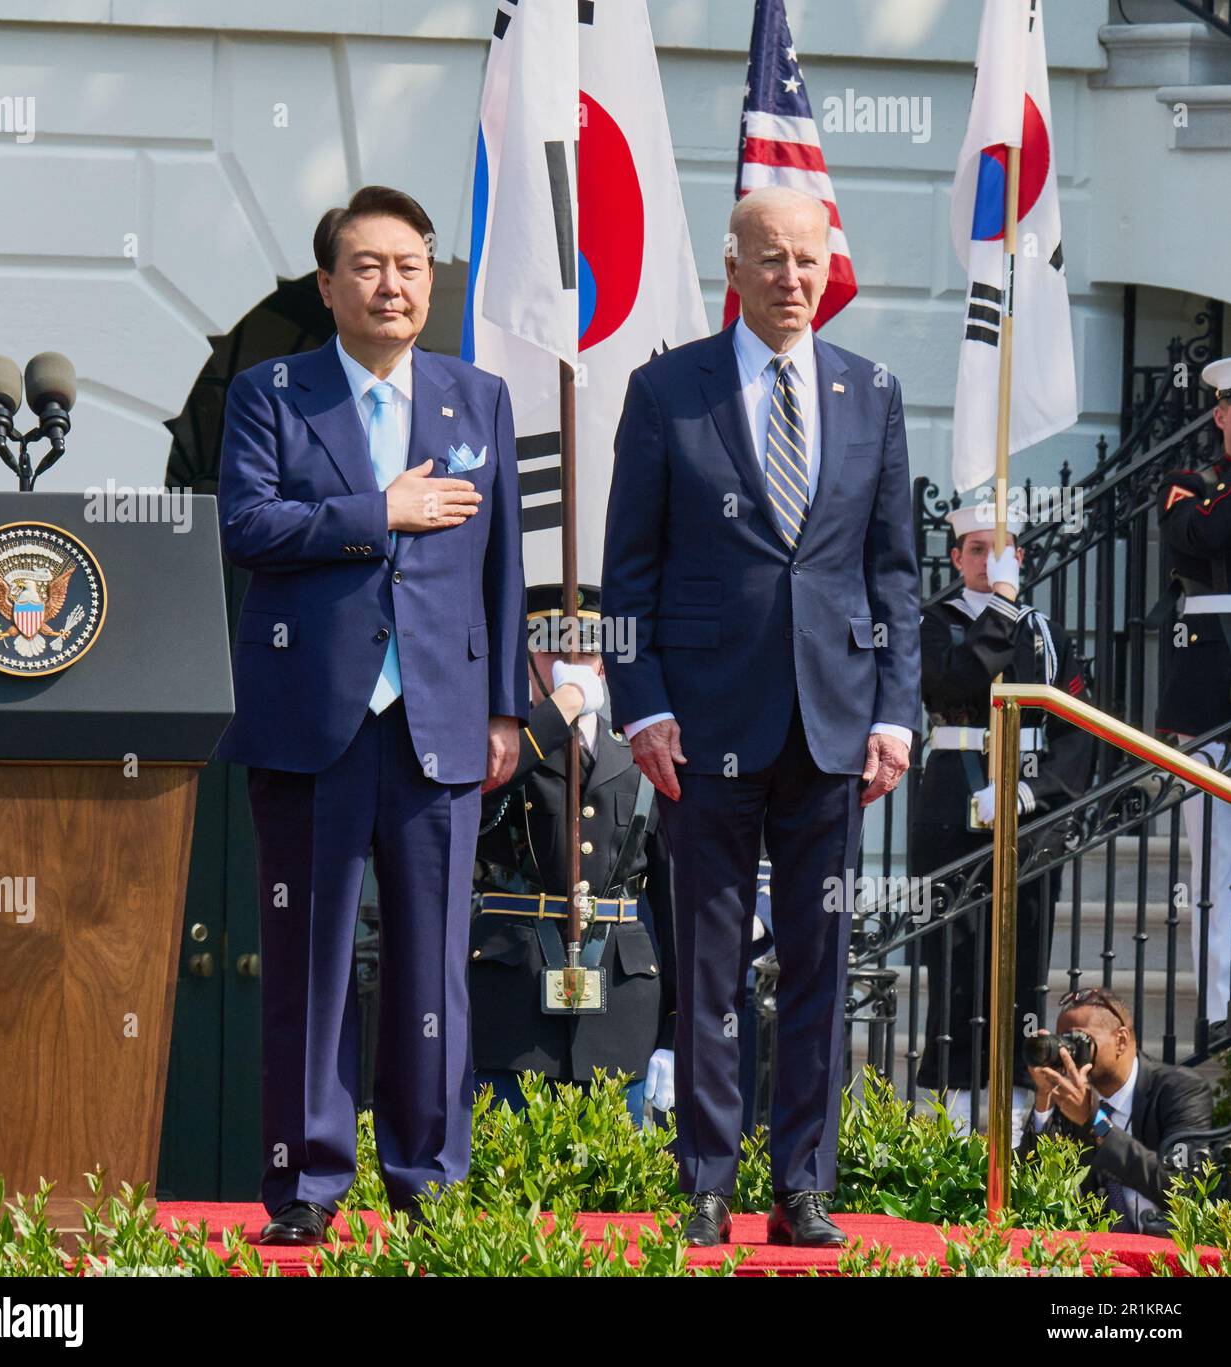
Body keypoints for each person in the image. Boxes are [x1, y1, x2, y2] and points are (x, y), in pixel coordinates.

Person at [601, 185, 921, 1247]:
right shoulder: (665, 390)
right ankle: (705, 1177)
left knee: (821, 958)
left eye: (809, 259)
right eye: (771, 259)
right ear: (731, 267)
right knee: (706, 963)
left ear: (831, 267)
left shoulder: (871, 390)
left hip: (834, 726)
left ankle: (802, 1184)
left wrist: (896, 712)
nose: (794, 277)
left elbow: (892, 573)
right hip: (700, 728)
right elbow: (627, 574)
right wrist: (638, 702)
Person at [216, 185, 528, 1245]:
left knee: (432, 962)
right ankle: (305, 1182)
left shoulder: (476, 397)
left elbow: (501, 568)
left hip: (440, 717)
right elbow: (249, 525)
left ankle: (426, 1177)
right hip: (313, 715)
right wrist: (377, 512)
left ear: (429, 279)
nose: (391, 282)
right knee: (307, 955)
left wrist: (505, 712)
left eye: (409, 263)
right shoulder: (271, 392)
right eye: (367, 264)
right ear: (329, 283)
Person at [913, 502, 1092, 1134]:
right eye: (978, 550)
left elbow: (1076, 726)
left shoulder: (1045, 631)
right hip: (951, 804)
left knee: (1025, 958)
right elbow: (958, 684)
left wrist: (1031, 793)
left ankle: (1019, 1104)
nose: (991, 561)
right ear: (957, 558)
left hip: (1027, 811)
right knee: (956, 959)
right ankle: (953, 1103)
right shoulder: (934, 623)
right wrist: (1002, 609)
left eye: (1003, 549)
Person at [470, 586, 676, 1127]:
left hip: (621, 1018)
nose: (570, 665)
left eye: (586, 652)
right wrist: (552, 717)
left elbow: (679, 909)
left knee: (621, 1206)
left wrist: (678, 1034)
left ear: (605, 664)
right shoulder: (495, 748)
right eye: (553, 652)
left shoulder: (638, 755)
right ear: (525, 660)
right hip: (510, 1018)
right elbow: (475, 807)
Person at [1155, 355, 1231, 1033]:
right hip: (1209, 696)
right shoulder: (1190, 483)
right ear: (1221, 413)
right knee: (1214, 869)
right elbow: (1203, 534)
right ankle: (1218, 1014)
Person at [1018, 988, 1213, 1232]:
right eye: (1063, 1042)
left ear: (1121, 1040)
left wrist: (1094, 1120)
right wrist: (1044, 1097)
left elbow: (1180, 1186)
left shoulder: (1180, 1090)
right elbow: (1031, 1182)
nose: (1069, 1054)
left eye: (1080, 1041)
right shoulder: (1073, 1098)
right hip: (1096, 1256)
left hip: (1166, 1252)